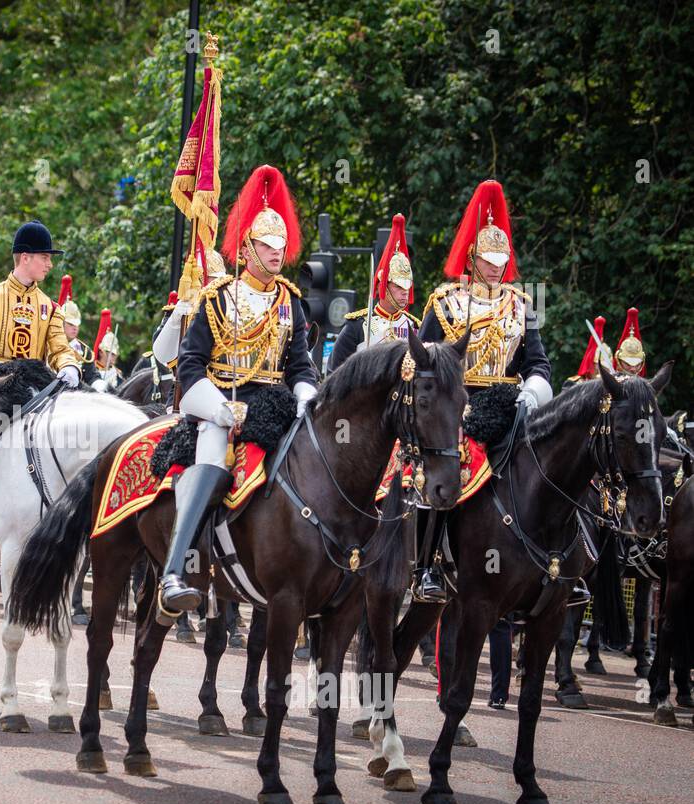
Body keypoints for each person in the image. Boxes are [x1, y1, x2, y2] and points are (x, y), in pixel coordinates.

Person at [159, 165, 317, 615]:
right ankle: (175, 571)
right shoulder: (218, 297)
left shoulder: (291, 302)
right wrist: (218, 408)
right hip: (221, 403)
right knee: (212, 456)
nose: (276, 252)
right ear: (246, 248)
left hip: (276, 405)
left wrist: (307, 394)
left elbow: (300, 365)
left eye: (280, 245)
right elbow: (189, 364)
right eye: (267, 244)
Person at [416, 179, 552, 602]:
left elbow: (538, 364)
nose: (496, 267)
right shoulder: (444, 304)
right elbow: (421, 360)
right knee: (442, 470)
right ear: (473, 259)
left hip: (510, 406)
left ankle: (557, 560)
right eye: (489, 260)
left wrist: (531, 394)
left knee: (551, 464)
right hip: (458, 409)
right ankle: (429, 567)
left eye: (502, 259)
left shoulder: (522, 306)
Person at [0, 220, 82, 386]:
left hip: (33, 392)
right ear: (25, 258)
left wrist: (69, 365)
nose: (50, 264)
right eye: (45, 257)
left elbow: (60, 350)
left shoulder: (52, 309)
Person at [328, 213, 418, 373]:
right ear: (381, 286)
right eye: (398, 286)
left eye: (407, 286)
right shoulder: (357, 325)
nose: (405, 292)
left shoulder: (415, 327)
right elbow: (335, 373)